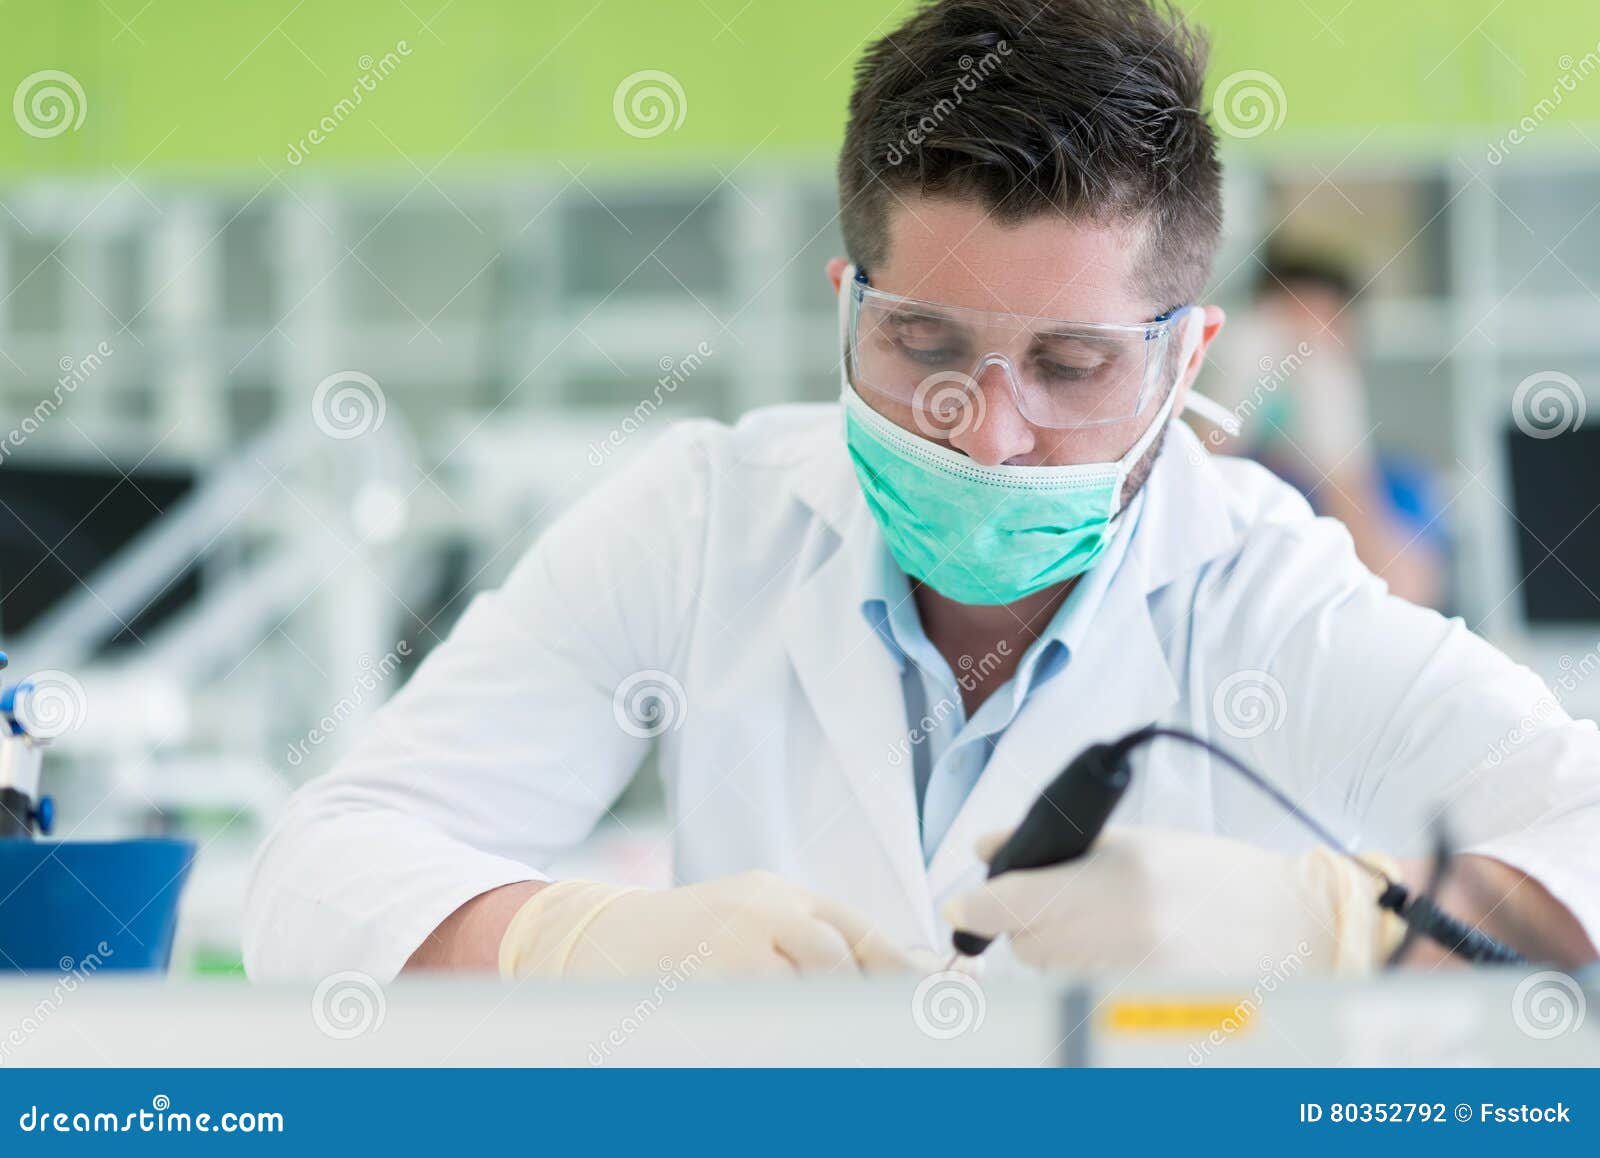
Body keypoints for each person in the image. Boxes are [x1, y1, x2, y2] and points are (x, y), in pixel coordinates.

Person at [244, 0, 1600, 983]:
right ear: (848, 306)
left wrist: (1337, 922)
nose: (986, 433)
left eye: (1071, 365)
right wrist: (568, 939)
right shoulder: (705, 518)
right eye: (926, 346)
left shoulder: (1264, 591)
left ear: (1189, 358)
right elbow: (321, 869)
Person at [1202, 250, 1447, 608]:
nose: (1298, 362)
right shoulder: (1226, 475)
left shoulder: (1400, 482)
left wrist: (1339, 451)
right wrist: (1223, 412)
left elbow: (1405, 596)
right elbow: (1161, 543)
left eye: (1317, 346)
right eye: (1282, 339)